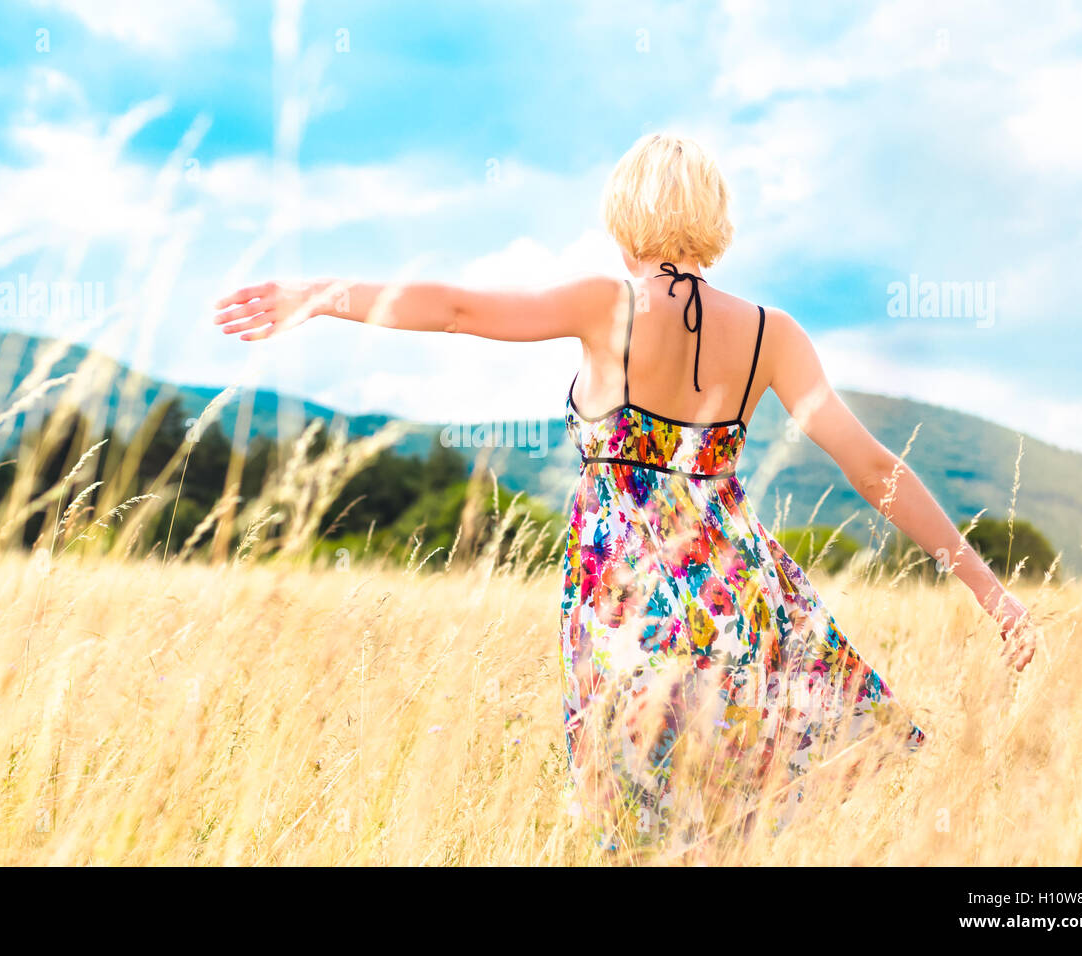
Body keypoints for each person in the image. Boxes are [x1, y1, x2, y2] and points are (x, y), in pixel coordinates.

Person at [213, 132, 1034, 850]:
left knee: (644, 834)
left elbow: (459, 308)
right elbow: (872, 468)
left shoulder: (604, 306)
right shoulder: (772, 335)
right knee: (738, 828)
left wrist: (320, 297)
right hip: (741, 603)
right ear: (712, 217)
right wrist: (992, 593)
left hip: (631, 612)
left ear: (623, 213)